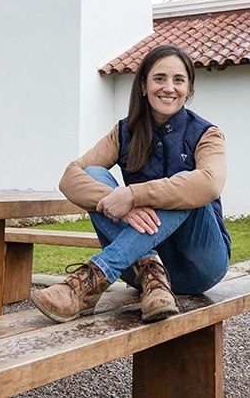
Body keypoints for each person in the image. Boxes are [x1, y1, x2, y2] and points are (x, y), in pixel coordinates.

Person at [30, 44, 232, 323]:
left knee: (188, 187)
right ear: (143, 86)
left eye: (178, 80)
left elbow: (210, 184)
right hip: (138, 267)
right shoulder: (124, 132)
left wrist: (134, 195)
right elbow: (70, 176)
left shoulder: (207, 134)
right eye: (159, 78)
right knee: (94, 173)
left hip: (199, 264)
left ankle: (93, 277)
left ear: (190, 89)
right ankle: (153, 277)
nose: (169, 88)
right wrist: (121, 205)